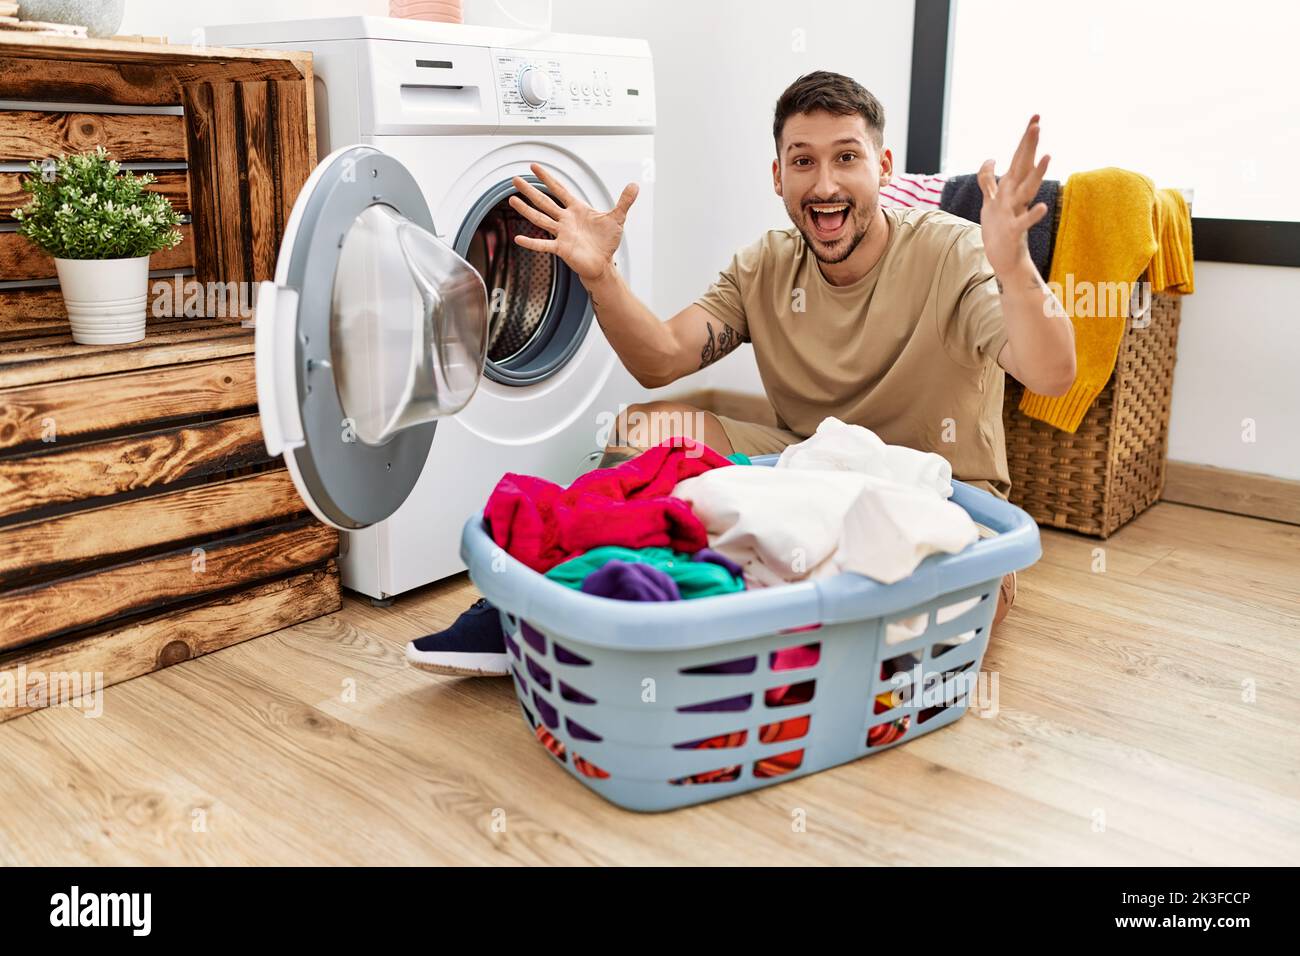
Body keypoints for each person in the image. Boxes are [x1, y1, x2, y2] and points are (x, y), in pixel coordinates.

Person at [406, 70, 1073, 677]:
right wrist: (598, 275)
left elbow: (1050, 373)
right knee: (645, 433)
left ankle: (691, 633)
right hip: (808, 475)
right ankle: (567, 606)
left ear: (884, 167)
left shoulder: (951, 251)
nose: (825, 184)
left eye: (847, 157)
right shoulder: (766, 265)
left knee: (934, 621)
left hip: (940, 500)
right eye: (802, 161)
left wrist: (1014, 265)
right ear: (777, 176)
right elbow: (661, 358)